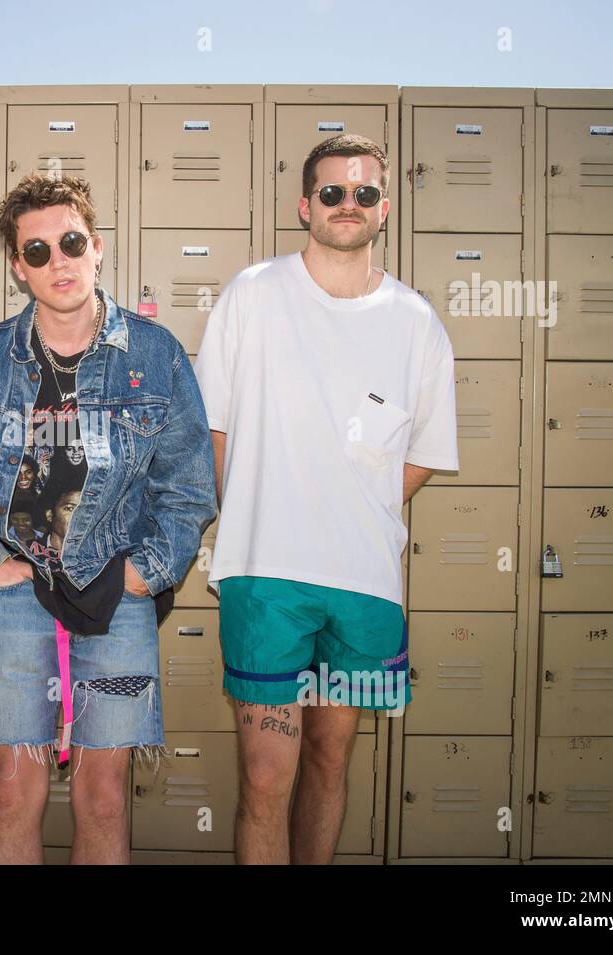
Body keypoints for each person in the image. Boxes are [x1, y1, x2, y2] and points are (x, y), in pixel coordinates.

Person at [0, 173, 217, 864]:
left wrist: (144, 574)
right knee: (14, 794)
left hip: (118, 596)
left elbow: (189, 488)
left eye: (71, 242)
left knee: (103, 795)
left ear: (97, 248)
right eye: (39, 250)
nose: (60, 261)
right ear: (19, 267)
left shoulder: (155, 355)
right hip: (19, 596)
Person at [194, 134, 459, 864]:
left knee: (330, 759)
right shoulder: (253, 295)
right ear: (304, 204)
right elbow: (211, 428)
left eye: (365, 192)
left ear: (384, 209)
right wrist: (264, 505)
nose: (349, 203)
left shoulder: (416, 324)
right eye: (333, 192)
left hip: (363, 582)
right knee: (264, 773)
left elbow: (423, 457)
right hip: (265, 574)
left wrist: (353, 503)